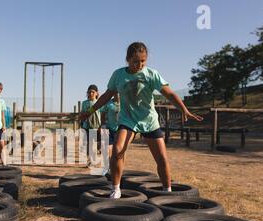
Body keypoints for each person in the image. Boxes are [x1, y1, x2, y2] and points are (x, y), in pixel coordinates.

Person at [79, 42, 203, 199]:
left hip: (149, 120)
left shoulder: (151, 74)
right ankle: (115, 189)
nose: (140, 64)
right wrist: (90, 111)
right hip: (128, 119)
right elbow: (105, 96)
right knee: (117, 151)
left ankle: (167, 191)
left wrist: (184, 109)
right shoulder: (118, 75)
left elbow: (169, 93)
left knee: (162, 159)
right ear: (127, 59)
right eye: (136, 61)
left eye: (143, 61)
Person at [80, 85, 102, 166]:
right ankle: (90, 160)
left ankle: (93, 159)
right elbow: (82, 114)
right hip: (87, 126)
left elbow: (101, 114)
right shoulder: (85, 103)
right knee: (88, 144)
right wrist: (82, 123)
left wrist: (101, 126)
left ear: (97, 93)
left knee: (94, 144)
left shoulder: (99, 103)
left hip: (96, 126)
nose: (91, 93)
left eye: (93, 92)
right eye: (89, 92)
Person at [100, 92, 120, 175]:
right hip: (110, 129)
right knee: (107, 151)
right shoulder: (109, 103)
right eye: (115, 92)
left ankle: (117, 170)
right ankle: (106, 168)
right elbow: (103, 114)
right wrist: (103, 126)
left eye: (118, 92)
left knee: (119, 152)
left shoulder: (125, 103)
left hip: (121, 130)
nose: (117, 94)